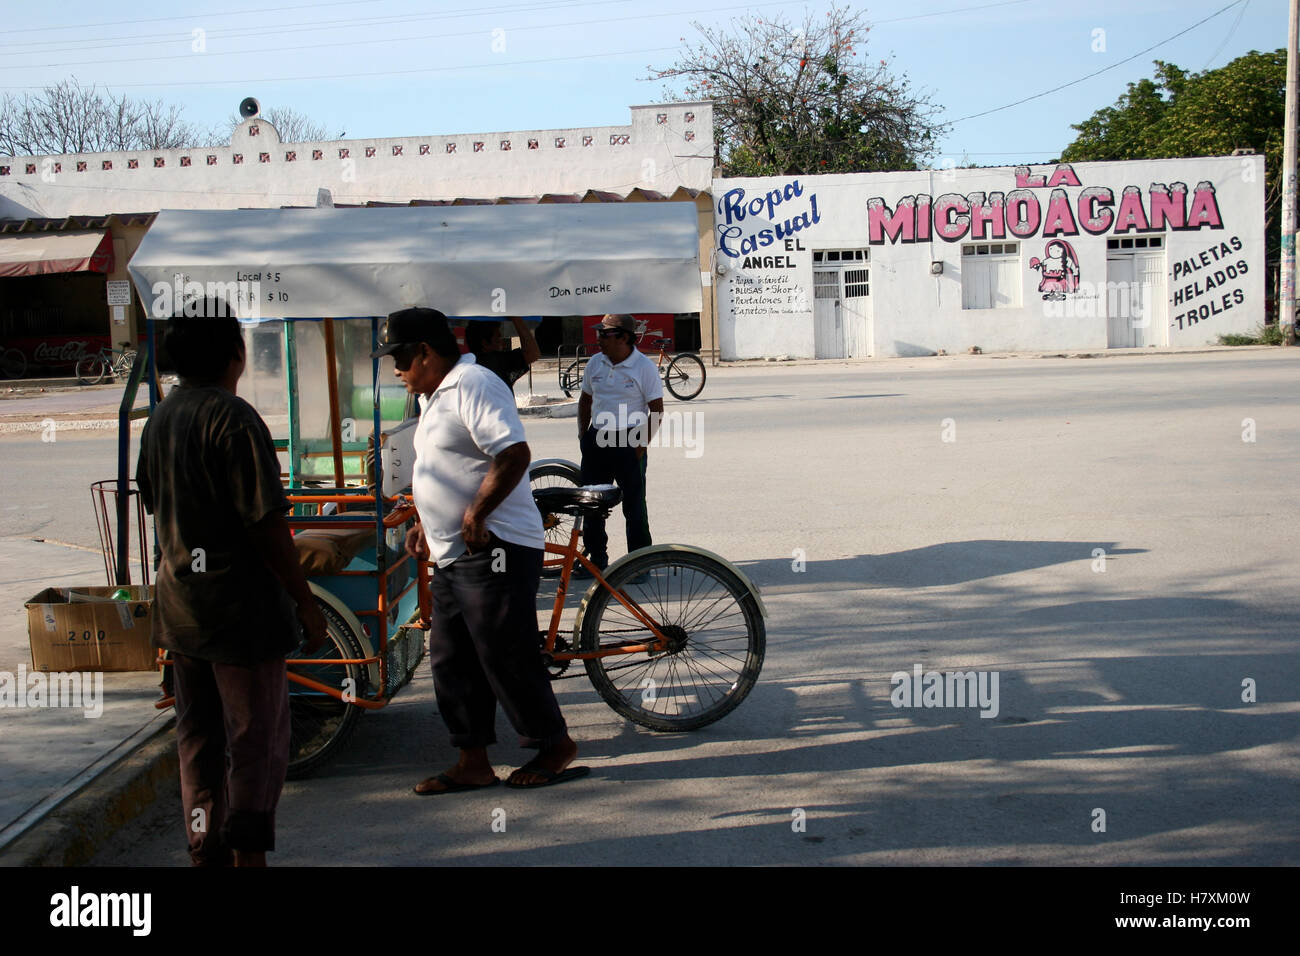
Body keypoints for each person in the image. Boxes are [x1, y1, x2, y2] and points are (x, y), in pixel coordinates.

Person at [135, 302, 327, 867]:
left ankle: (206, 848)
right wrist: (304, 600)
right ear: (233, 353)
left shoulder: (162, 418)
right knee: (254, 742)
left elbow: (154, 501)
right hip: (239, 614)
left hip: (181, 611)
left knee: (198, 740)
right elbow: (267, 523)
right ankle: (248, 857)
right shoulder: (234, 418)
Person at [375, 307, 586, 791]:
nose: (396, 369)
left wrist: (475, 514)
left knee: (504, 652)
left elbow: (513, 453)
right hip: (454, 553)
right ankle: (472, 761)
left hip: (496, 546)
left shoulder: (473, 383)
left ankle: (554, 744)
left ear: (426, 351)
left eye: (401, 358)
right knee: (451, 658)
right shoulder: (433, 395)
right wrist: (428, 524)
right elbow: (449, 468)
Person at [577, 314, 664, 575]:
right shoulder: (595, 363)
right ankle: (595, 558)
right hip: (597, 440)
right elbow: (585, 401)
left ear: (624, 337)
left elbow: (657, 412)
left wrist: (638, 448)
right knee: (591, 504)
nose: (599, 339)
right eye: (599, 333)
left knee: (634, 507)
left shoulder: (644, 367)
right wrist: (584, 436)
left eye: (605, 334)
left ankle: (639, 563)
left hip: (629, 441)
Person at [464, 316, 541, 389]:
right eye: (498, 339)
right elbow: (532, 353)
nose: (502, 343)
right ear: (485, 343)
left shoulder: (465, 367)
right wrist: (515, 317)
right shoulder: (496, 361)